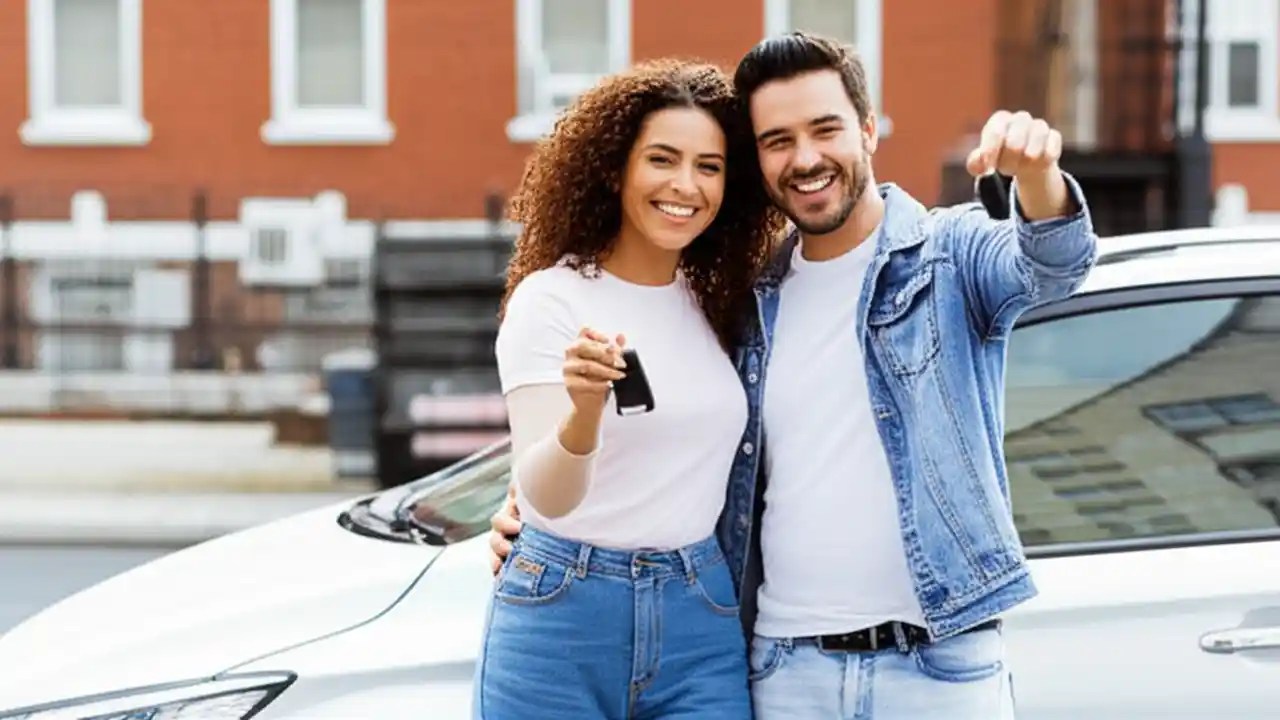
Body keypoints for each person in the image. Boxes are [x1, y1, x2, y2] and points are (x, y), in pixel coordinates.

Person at [489, 32, 1099, 719]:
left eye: (825, 129)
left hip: (939, 666)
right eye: (778, 140)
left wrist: (1038, 177)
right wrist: (536, 509)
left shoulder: (948, 256)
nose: (805, 158)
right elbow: (673, 445)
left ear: (868, 131)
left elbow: (1052, 266)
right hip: (783, 668)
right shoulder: (744, 298)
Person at [472, 58, 783, 720]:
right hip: (562, 613)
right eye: (662, 160)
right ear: (616, 169)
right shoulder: (551, 300)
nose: (685, 185)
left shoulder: (722, 303)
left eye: (709, 166)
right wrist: (583, 416)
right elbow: (548, 497)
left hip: (699, 609)